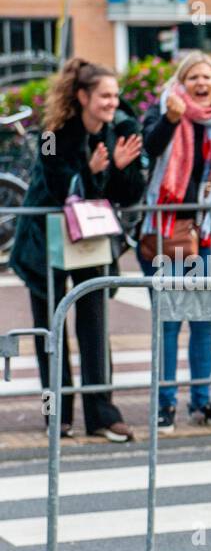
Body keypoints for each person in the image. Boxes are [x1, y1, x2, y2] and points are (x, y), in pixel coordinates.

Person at [11, 58, 145, 441]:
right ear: (83, 96)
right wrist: (90, 170)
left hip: (90, 240)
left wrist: (116, 168)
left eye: (116, 95)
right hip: (45, 242)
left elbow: (129, 194)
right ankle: (59, 415)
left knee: (95, 326)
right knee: (49, 333)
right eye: (104, 95)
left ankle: (102, 413)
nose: (112, 103)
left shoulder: (118, 130)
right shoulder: (53, 133)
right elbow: (56, 187)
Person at [139, 51, 211, 433]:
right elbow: (149, 149)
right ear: (181, 83)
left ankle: (202, 403)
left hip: (205, 231)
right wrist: (171, 119)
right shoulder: (164, 112)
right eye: (193, 78)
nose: (201, 84)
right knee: (170, 320)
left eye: (208, 78)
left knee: (205, 320)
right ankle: (165, 405)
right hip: (168, 230)